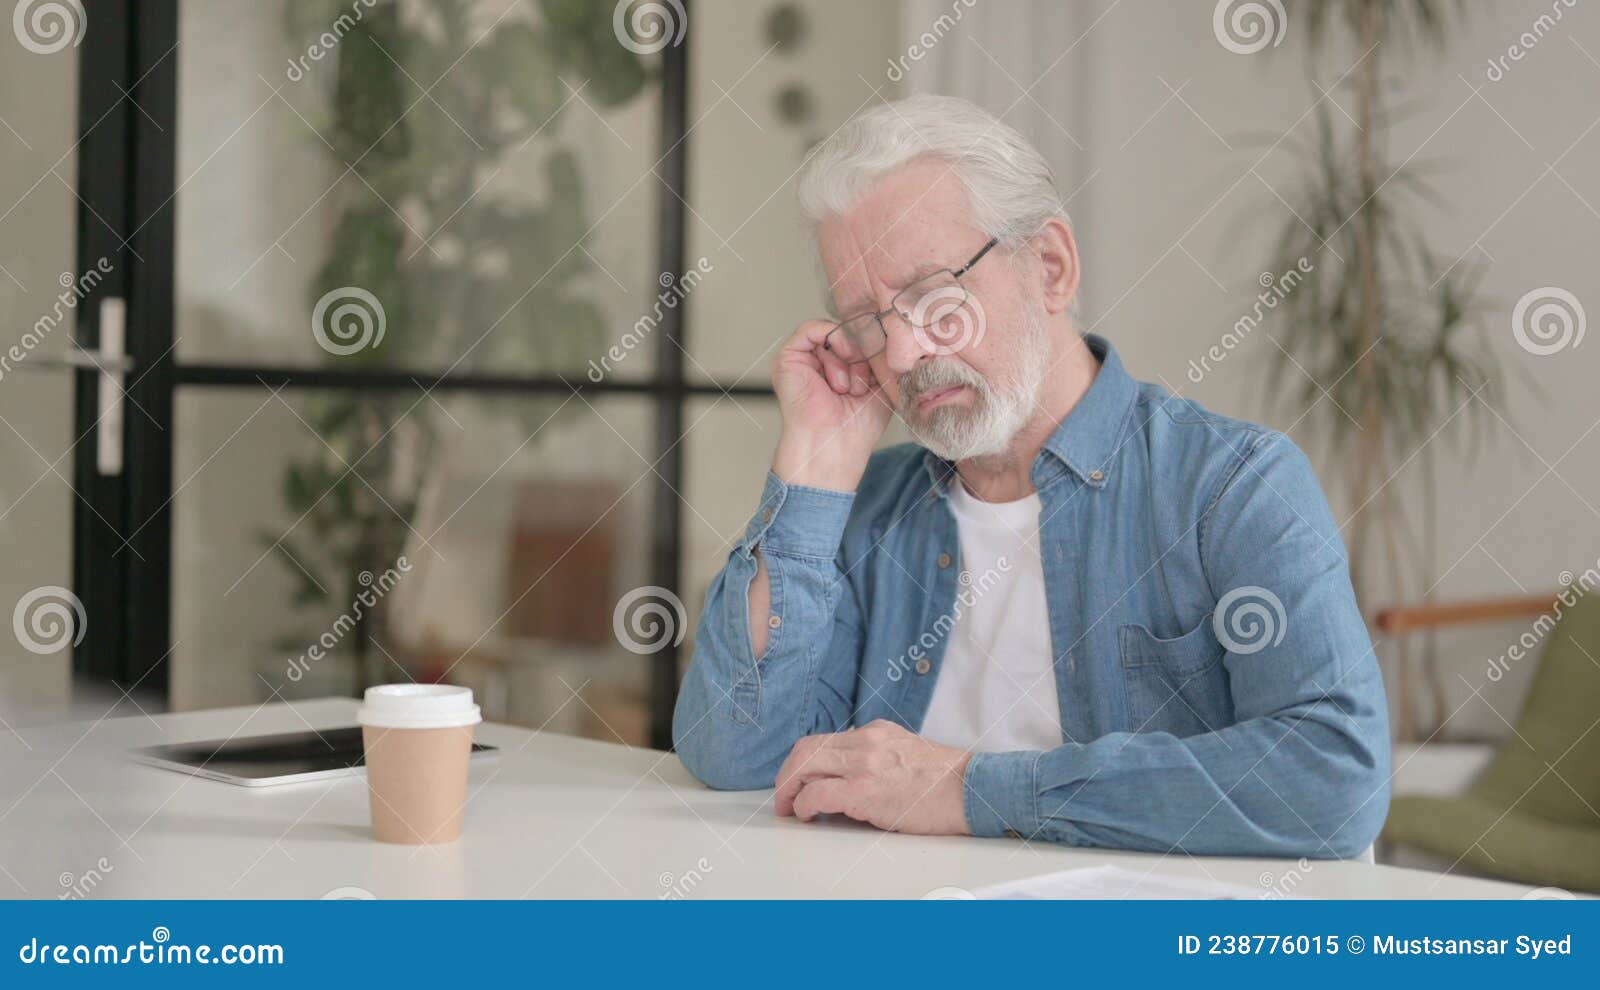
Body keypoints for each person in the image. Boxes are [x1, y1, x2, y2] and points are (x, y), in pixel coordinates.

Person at [672, 94, 1389, 858]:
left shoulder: (1232, 485)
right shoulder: (864, 510)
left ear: (1050, 267)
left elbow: (1332, 779)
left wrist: (965, 789)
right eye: (868, 322)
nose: (906, 353)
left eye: (934, 296)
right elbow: (732, 755)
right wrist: (815, 464)